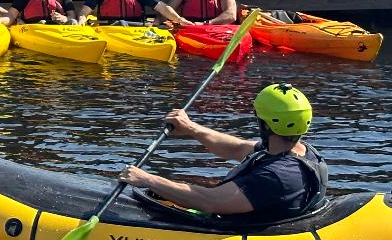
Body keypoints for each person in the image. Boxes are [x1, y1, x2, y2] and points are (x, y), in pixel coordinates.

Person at [119, 83, 328, 219]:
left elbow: (209, 201)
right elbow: (234, 148)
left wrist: (147, 179)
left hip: (239, 231)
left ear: (264, 124)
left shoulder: (278, 175)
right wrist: (191, 128)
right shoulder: (298, 151)